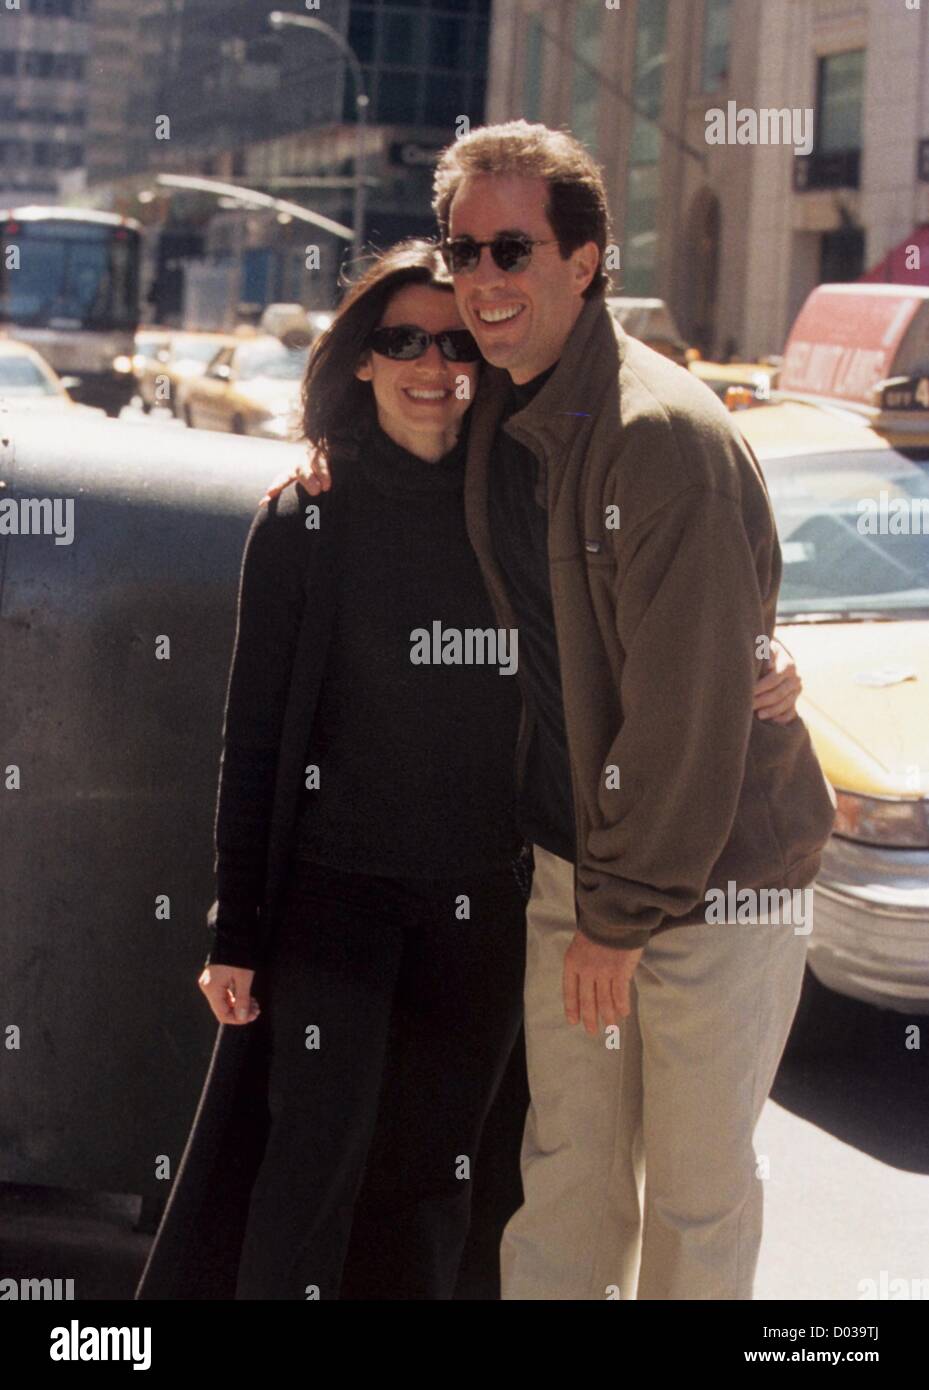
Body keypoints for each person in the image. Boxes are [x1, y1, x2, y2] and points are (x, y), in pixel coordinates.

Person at [271, 120, 834, 1301]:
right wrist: (323, 447)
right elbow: (398, 411)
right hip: (578, 867)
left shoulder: (656, 436)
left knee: (691, 1194)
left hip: (708, 875)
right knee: (565, 1176)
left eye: (511, 250)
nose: (480, 280)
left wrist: (618, 917)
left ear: (586, 262)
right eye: (461, 249)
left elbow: (685, 718)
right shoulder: (505, 415)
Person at [198, 240, 532, 1300]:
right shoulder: (305, 518)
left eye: (455, 341)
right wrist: (233, 933)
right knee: (309, 1172)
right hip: (333, 904)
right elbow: (251, 737)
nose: (431, 364)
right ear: (359, 358)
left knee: (434, 1183)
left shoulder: (520, 511)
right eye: (402, 340)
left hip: (479, 906)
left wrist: (762, 654)